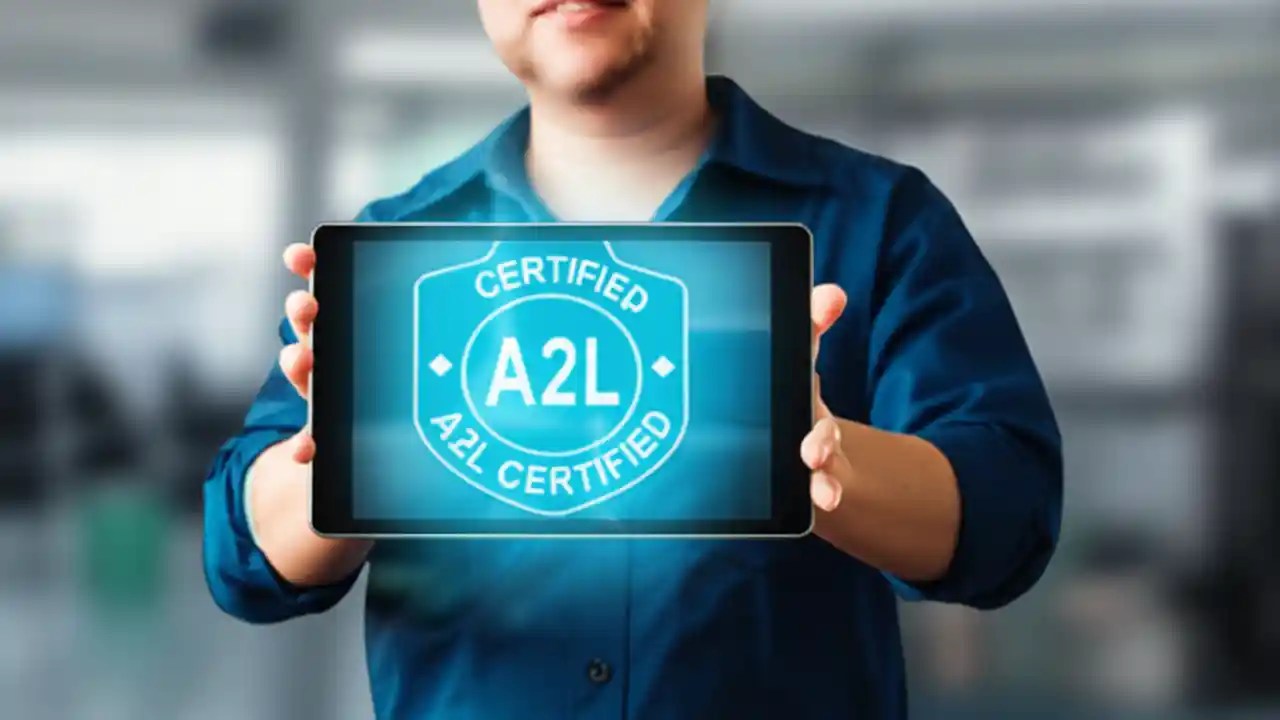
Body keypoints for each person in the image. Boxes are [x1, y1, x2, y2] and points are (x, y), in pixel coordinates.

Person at [202, 1, 1063, 717]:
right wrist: (347, 465)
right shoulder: (393, 251)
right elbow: (242, 559)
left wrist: (824, 466)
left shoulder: (882, 221)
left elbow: (1007, 514)